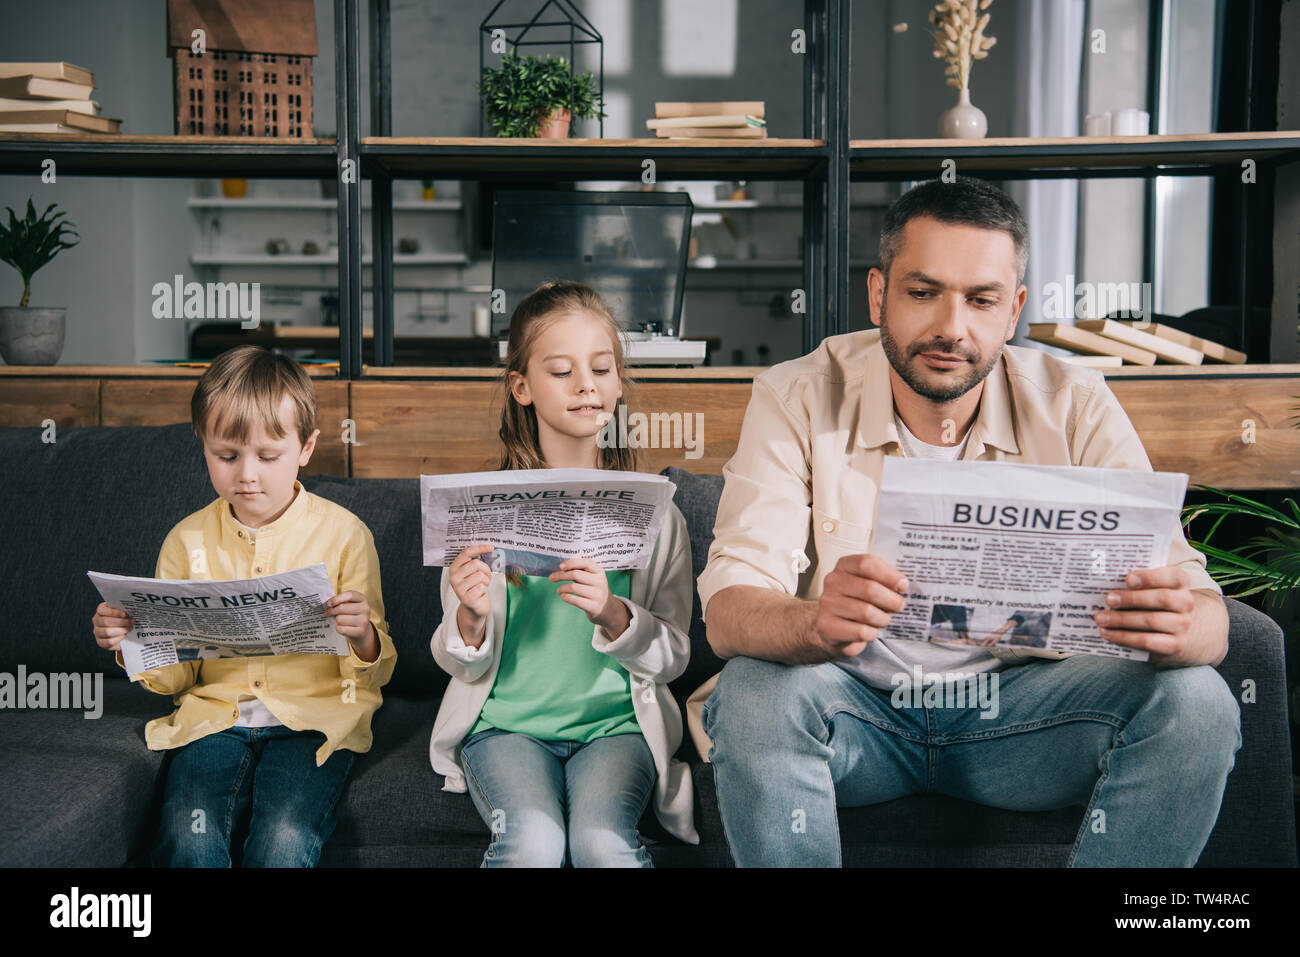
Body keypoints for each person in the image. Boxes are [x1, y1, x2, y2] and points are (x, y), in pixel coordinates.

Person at [692, 176, 1240, 867]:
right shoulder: (797, 394)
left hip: (1022, 716)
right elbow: (730, 607)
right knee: (752, 689)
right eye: (923, 293)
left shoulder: (1076, 400)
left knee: (1198, 700)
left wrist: (1179, 624)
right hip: (856, 712)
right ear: (878, 294)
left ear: (1011, 310)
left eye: (981, 300)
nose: (952, 327)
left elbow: (1208, 613)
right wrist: (811, 624)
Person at [91, 346, 396, 867]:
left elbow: (373, 673)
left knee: (282, 839)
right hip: (214, 719)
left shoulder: (346, 535)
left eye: (268, 456)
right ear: (203, 446)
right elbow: (178, 680)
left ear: (306, 447)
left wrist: (361, 635)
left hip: (315, 720)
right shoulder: (186, 541)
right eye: (227, 456)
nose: (247, 475)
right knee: (188, 838)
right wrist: (132, 645)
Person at [428, 280, 698, 866]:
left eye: (602, 368)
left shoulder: (659, 514)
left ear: (619, 382)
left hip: (617, 729)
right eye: (561, 371)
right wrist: (470, 616)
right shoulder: (481, 509)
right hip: (505, 728)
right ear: (521, 387)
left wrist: (615, 613)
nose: (586, 385)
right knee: (532, 842)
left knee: (602, 844)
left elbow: (675, 657)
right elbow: (456, 661)